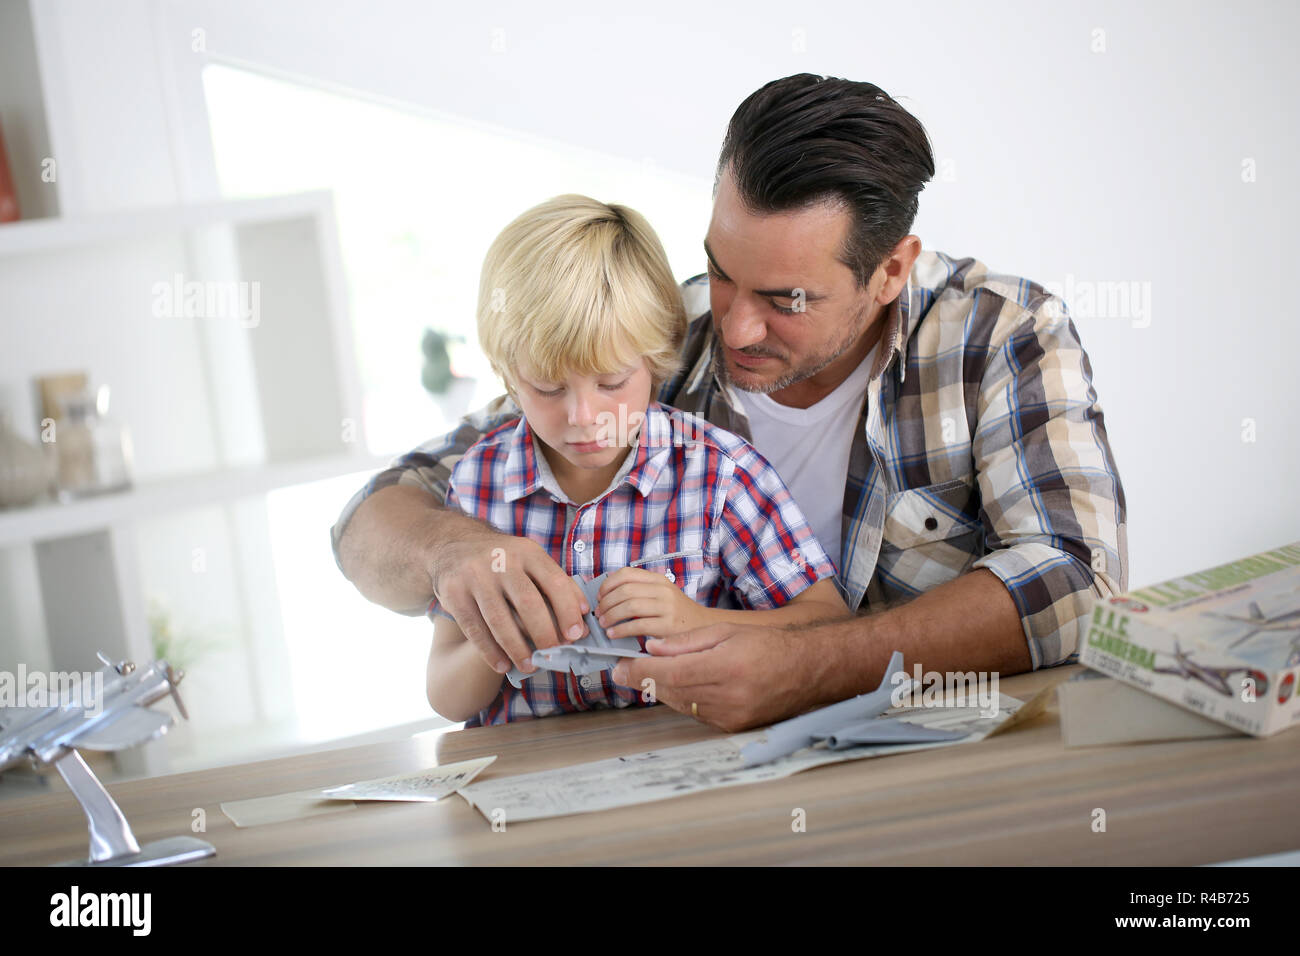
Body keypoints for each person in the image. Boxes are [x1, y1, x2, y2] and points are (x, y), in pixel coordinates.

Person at [333, 74, 1128, 733]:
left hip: (951, 780)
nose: (734, 327)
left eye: (786, 298)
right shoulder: (648, 345)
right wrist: (449, 553)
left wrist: (807, 667)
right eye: (722, 271)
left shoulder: (1000, 336)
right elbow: (372, 518)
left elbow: (1073, 581)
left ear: (890, 271)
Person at [423, 194, 847, 725]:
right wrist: (512, 638)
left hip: (683, 764)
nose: (584, 416)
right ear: (508, 377)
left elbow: (826, 621)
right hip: (529, 779)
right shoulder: (479, 481)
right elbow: (445, 694)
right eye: (546, 387)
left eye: (612, 382)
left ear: (657, 357)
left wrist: (694, 620)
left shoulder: (717, 473)